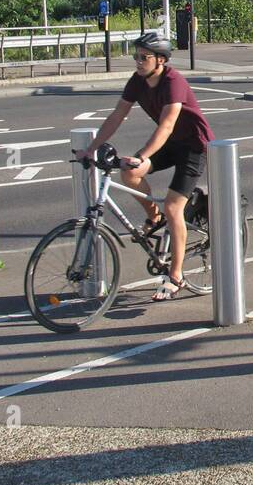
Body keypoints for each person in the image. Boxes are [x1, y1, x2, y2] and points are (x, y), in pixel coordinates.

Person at [73, 32, 213, 301]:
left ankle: (176, 275)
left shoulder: (174, 82)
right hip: (170, 143)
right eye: (135, 56)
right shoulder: (138, 81)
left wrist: (145, 155)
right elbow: (117, 115)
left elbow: (167, 124)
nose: (138, 62)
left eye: (143, 57)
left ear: (160, 60)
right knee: (129, 172)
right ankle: (155, 217)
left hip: (194, 147)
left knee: (174, 206)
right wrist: (90, 150)